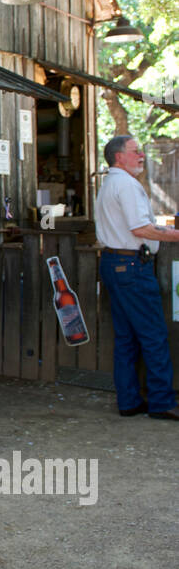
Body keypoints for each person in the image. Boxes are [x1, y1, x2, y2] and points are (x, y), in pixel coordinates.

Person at [94, 135, 179, 420]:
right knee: (153, 335)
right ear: (119, 157)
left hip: (115, 262)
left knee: (126, 338)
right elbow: (140, 229)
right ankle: (162, 402)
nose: (141, 155)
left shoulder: (110, 183)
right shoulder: (126, 185)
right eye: (136, 151)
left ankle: (129, 401)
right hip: (131, 265)